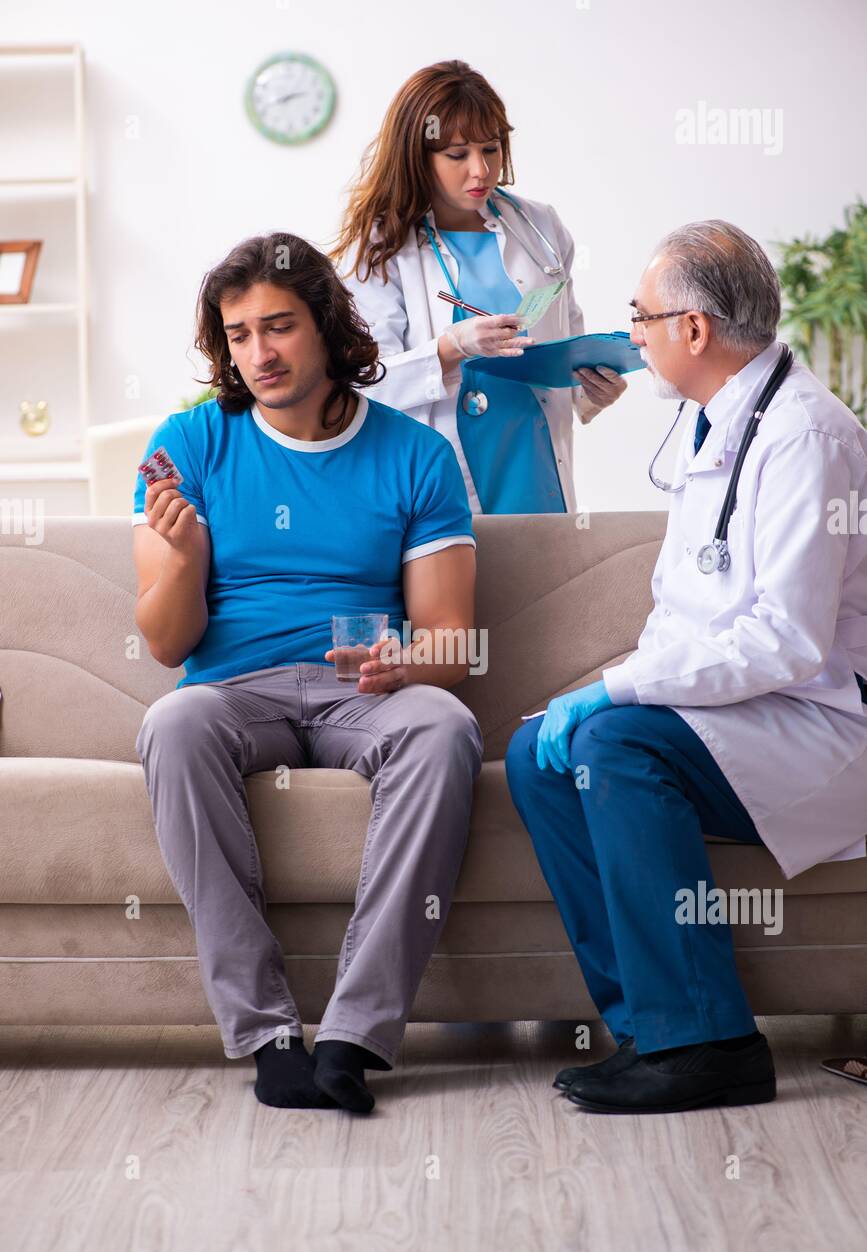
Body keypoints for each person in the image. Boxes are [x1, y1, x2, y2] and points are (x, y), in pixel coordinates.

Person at [505, 220, 867, 1115]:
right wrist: (594, 694)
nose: (632, 332)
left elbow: (784, 641)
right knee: (536, 756)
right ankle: (647, 1027)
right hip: (750, 718)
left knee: (617, 742)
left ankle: (707, 1043)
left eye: (641, 315)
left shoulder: (806, 439)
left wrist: (613, 688)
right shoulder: (715, 427)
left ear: (694, 330)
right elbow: (689, 616)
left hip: (823, 727)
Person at [131, 232, 484, 1115]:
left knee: (444, 730)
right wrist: (177, 561)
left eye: (278, 327)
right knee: (171, 725)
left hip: (363, 690)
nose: (260, 353)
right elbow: (169, 648)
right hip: (232, 692)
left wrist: (405, 663)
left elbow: (453, 640)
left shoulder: (415, 455)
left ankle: (357, 1036)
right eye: (239, 335)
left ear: (325, 326)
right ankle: (266, 1035)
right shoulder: (191, 444)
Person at [331, 59, 626, 516]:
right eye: (457, 155)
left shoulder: (540, 226)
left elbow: (568, 345)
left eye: (491, 149)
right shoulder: (380, 249)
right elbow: (368, 385)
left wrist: (593, 391)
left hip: (536, 460)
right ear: (417, 156)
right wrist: (451, 348)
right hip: (441, 467)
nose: (481, 170)